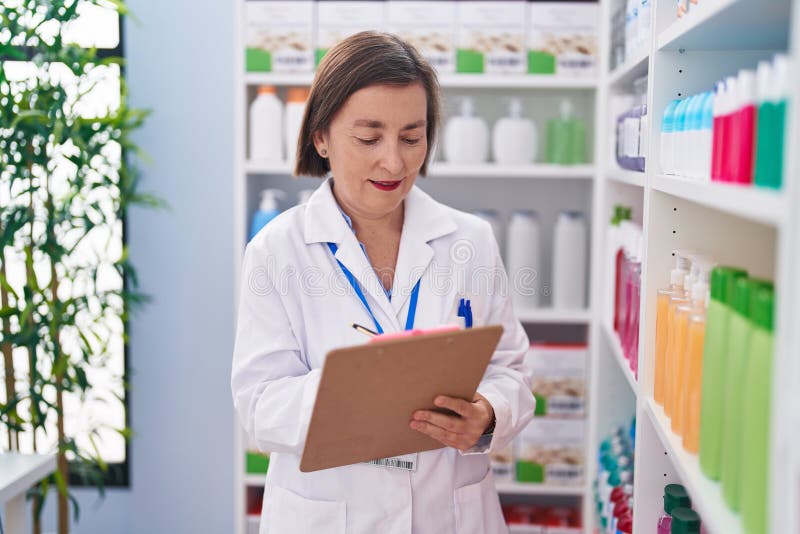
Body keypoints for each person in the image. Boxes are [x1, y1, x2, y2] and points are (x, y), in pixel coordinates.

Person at [231, 31, 535, 534]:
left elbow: (513, 373)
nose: (393, 161)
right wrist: (361, 392)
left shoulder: (471, 241)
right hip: (330, 515)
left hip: (449, 512)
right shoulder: (276, 251)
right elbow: (259, 406)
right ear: (321, 137)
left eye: (411, 137)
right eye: (369, 138)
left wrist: (488, 413)